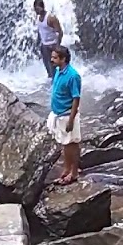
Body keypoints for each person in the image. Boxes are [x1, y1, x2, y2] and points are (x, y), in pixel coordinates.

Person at [49, 45, 82, 185]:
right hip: (58, 113)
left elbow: (76, 98)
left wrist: (71, 119)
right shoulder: (58, 70)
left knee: (71, 145)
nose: (51, 60)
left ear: (63, 59)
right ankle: (67, 169)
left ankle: (73, 173)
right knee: (65, 144)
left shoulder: (73, 76)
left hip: (67, 115)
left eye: (55, 58)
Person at [34, 0, 63, 78]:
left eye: (37, 9)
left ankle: (59, 84)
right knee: (48, 68)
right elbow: (41, 31)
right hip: (44, 46)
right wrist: (38, 43)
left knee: (55, 68)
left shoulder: (50, 18)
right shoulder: (38, 18)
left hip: (53, 45)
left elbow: (59, 32)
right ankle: (51, 84)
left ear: (42, 7)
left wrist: (57, 46)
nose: (36, 11)